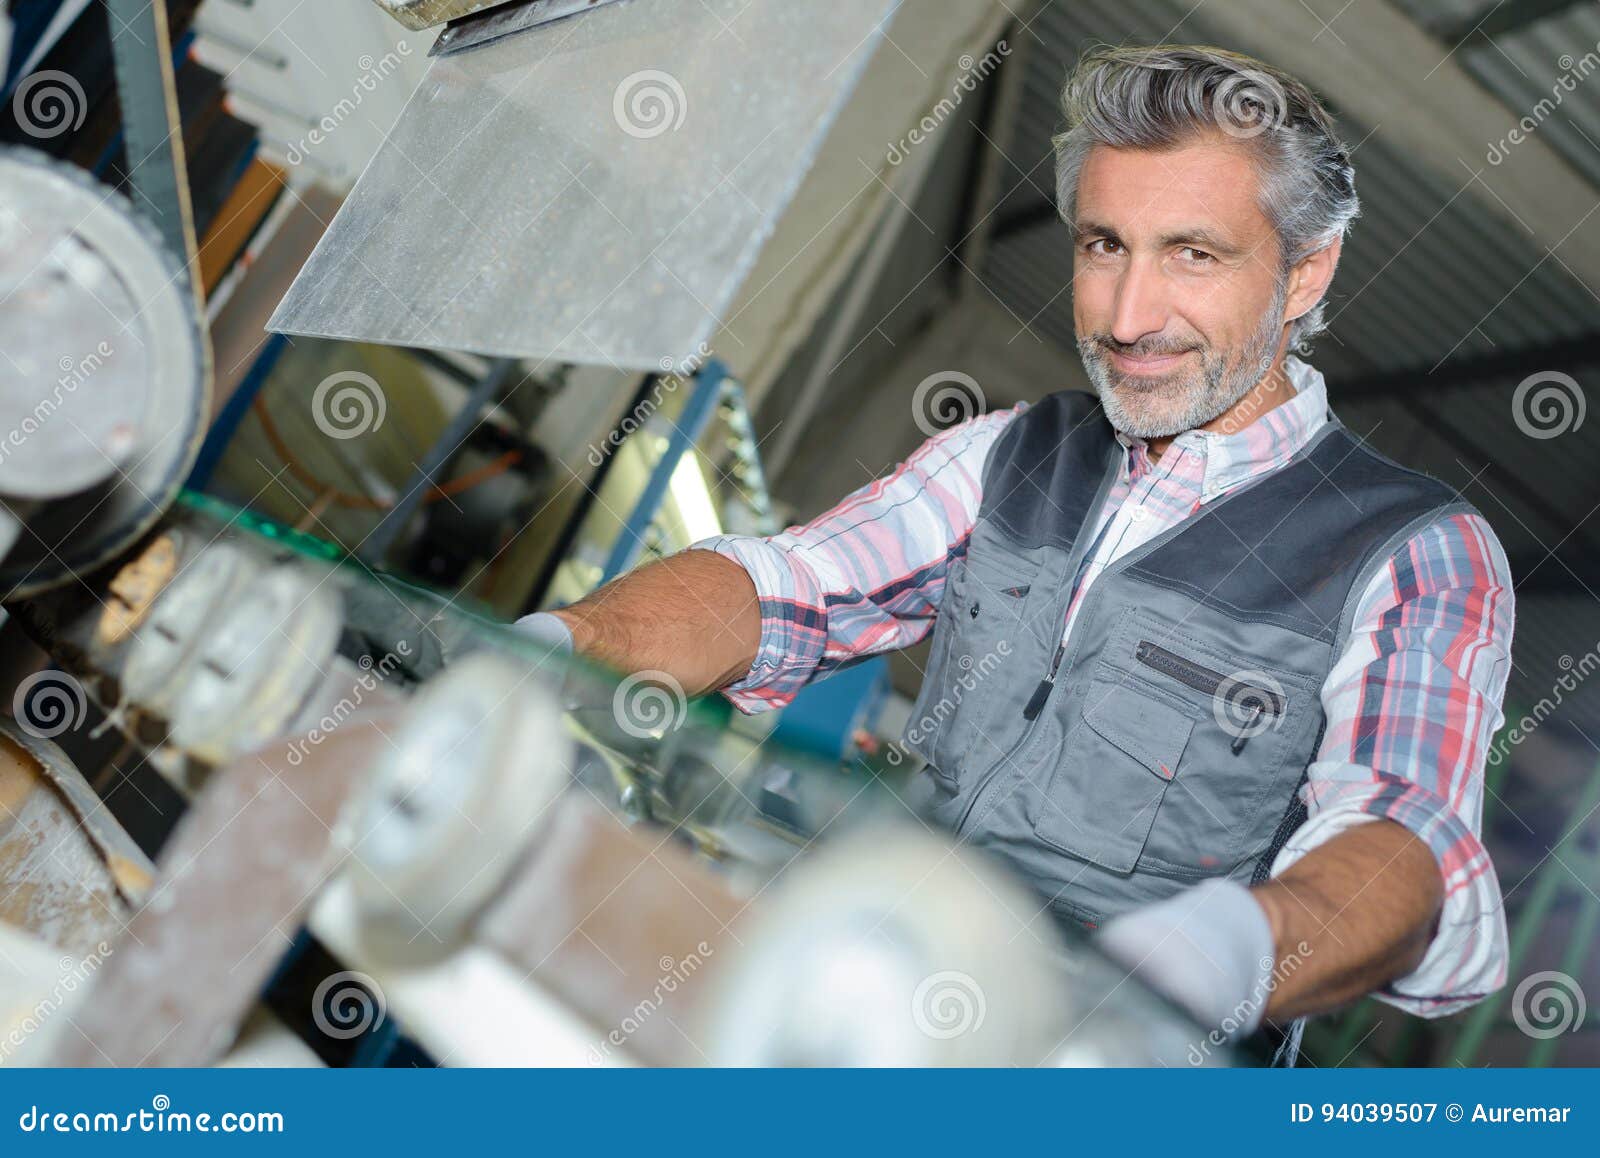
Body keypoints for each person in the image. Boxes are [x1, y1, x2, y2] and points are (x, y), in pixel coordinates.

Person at [521, 44, 1512, 1061]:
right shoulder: (1009, 451)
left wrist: (1219, 958)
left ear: (1305, 271)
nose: (1127, 318)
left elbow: (1403, 836)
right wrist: (555, 653)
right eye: (1101, 246)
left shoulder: (1411, 551)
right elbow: (787, 585)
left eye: (1192, 254)